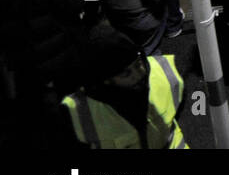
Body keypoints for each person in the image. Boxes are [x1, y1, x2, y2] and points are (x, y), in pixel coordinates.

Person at [60, 24, 188, 149]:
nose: (139, 75)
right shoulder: (76, 111)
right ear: (106, 80)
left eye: (138, 64)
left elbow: (178, 111)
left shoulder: (166, 73)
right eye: (126, 73)